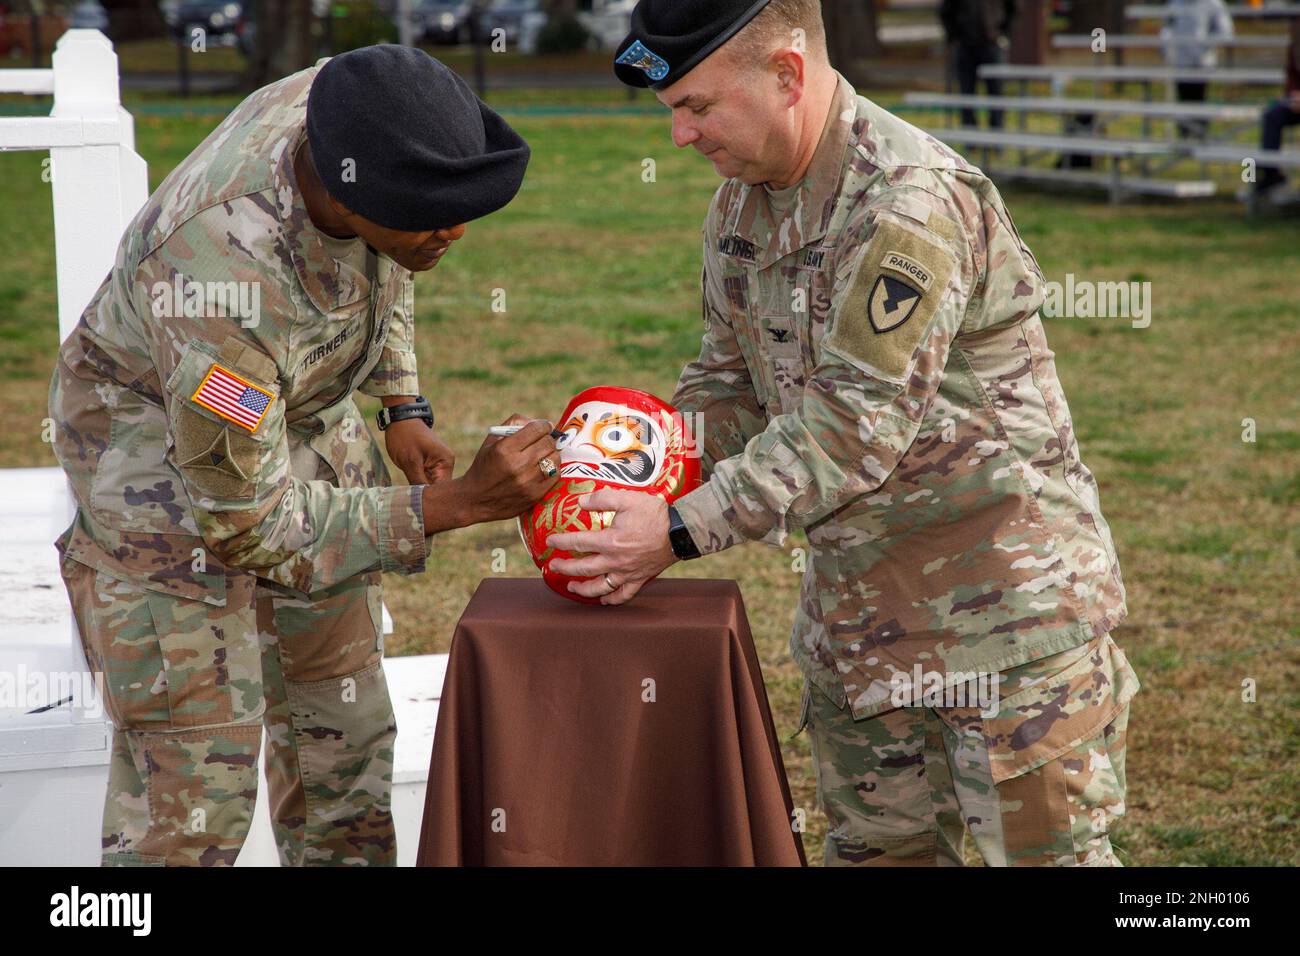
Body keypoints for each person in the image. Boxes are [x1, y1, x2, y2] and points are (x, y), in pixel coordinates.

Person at [562, 0, 1140, 866]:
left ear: (787, 74)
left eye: (697, 105)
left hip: (1005, 631)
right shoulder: (741, 209)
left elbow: (848, 430)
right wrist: (630, 463)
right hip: (863, 631)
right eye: (671, 110)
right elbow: (730, 386)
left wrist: (675, 532)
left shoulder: (908, 203)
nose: (681, 135)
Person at [48, 44, 560, 866]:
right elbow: (248, 526)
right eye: (430, 211)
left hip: (296, 410)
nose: (454, 230)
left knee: (342, 743)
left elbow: (385, 260)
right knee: (195, 794)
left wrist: (402, 402)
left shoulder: (355, 108)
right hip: (158, 472)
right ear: (350, 192)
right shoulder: (217, 274)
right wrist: (459, 504)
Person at [1161, 0, 1235, 139]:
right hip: (1180, 62)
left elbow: (1225, 32)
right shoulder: (1175, 4)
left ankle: (1201, 136)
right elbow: (1167, 28)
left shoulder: (1213, 4)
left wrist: (1203, 46)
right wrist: (1167, 48)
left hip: (1202, 64)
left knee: (1199, 100)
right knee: (1183, 100)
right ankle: (1184, 137)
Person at [939, 0, 1017, 129]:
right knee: (966, 95)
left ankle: (997, 138)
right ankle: (970, 141)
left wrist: (1003, 34)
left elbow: (1013, 9)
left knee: (996, 95)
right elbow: (946, 11)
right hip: (966, 46)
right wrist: (954, 36)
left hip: (992, 45)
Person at [1254, 20, 1300, 205]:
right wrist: (1293, 95)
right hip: (1296, 102)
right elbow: (1291, 75)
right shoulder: (1295, 46)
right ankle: (1270, 173)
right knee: (1271, 115)